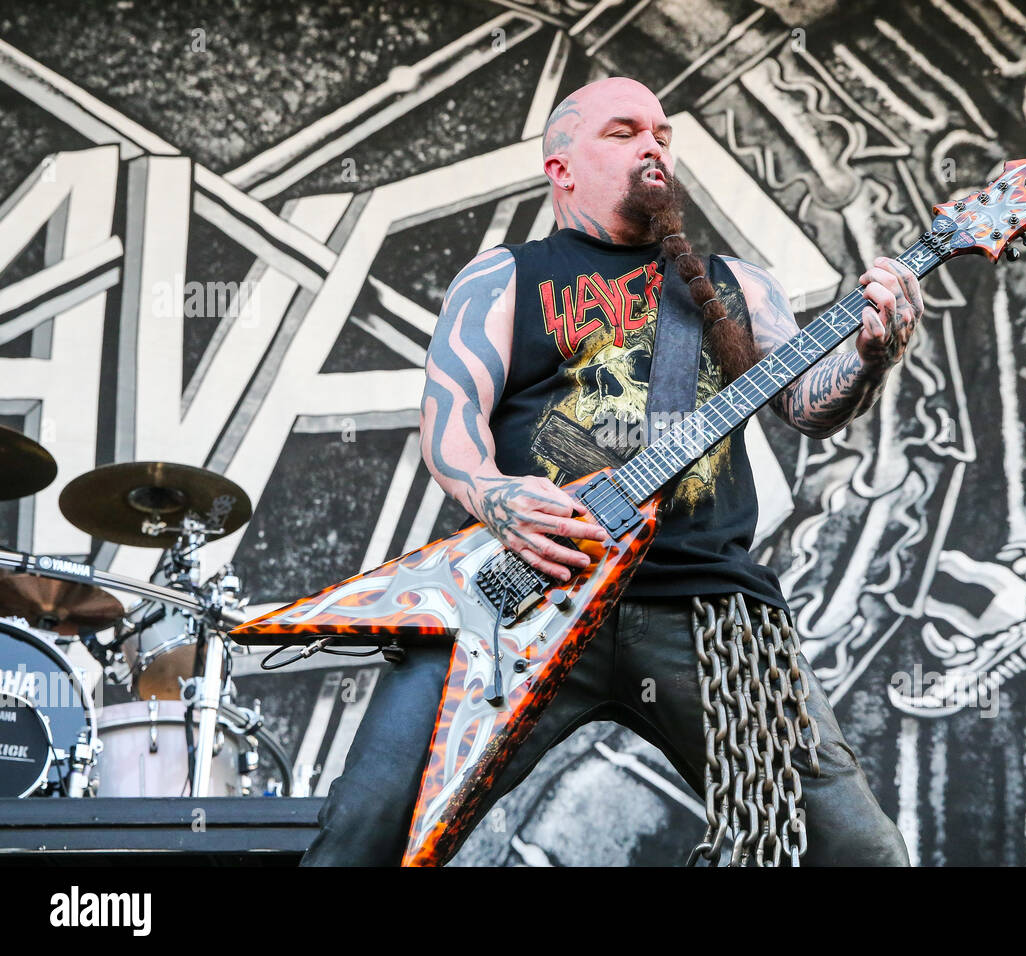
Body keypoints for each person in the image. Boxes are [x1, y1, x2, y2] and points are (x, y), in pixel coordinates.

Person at [302, 76, 922, 866]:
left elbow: (808, 406)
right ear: (561, 166)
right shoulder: (504, 277)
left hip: (708, 612)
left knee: (858, 854)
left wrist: (871, 360)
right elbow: (450, 426)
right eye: (625, 131)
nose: (653, 145)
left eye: (662, 132)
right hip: (523, 600)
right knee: (363, 836)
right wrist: (494, 496)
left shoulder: (740, 286)